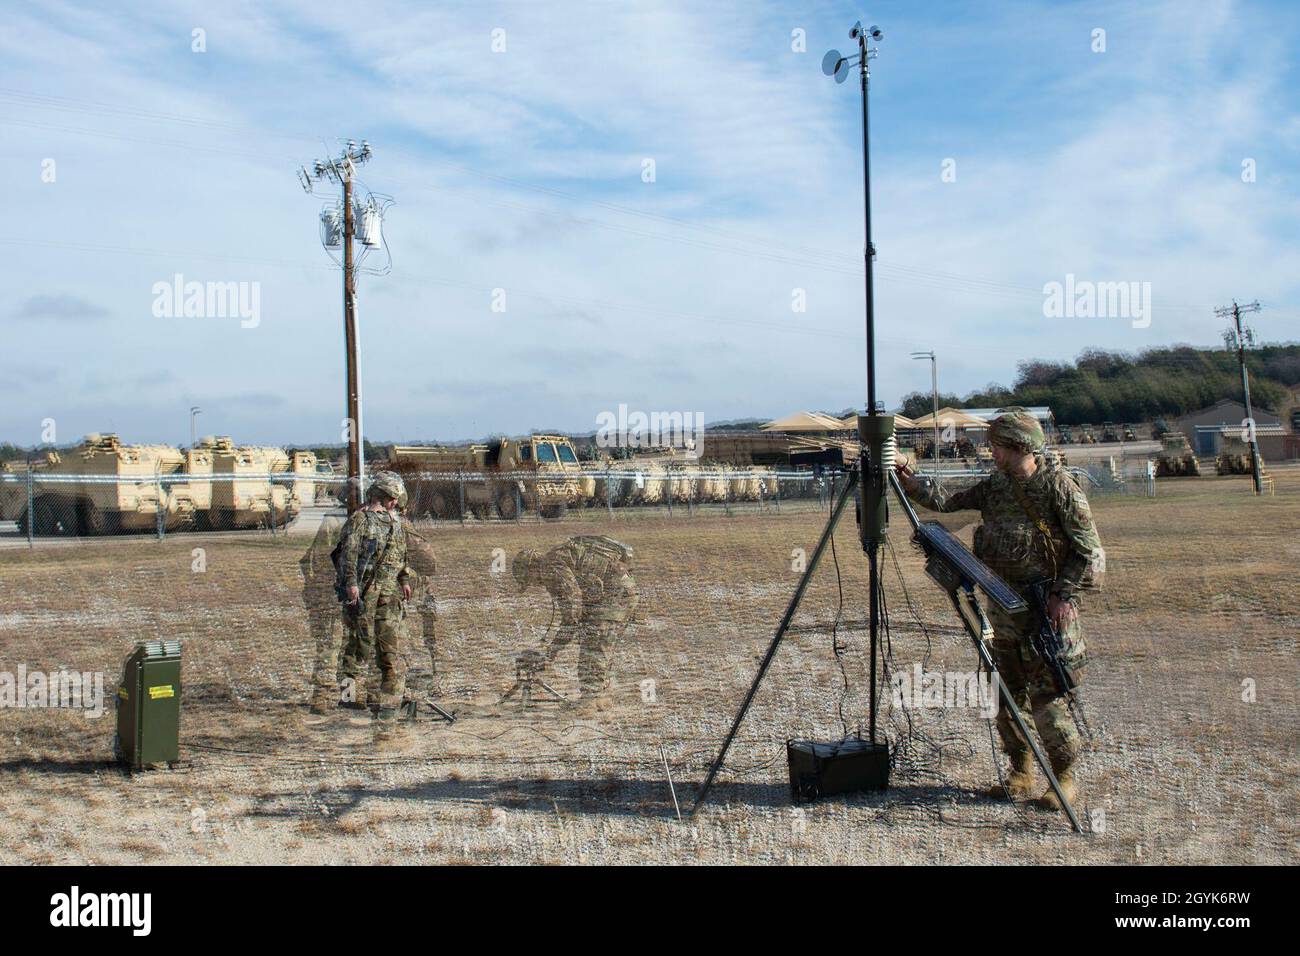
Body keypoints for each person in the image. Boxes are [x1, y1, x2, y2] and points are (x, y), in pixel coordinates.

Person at [895, 408, 1103, 810]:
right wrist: (909, 478)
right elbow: (948, 500)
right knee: (1006, 693)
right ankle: (1020, 771)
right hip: (1004, 607)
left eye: (997, 445)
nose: (991, 451)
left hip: (1047, 611)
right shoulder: (996, 487)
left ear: (1018, 446)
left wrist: (1064, 594)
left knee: (1048, 699)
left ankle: (1062, 778)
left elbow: (1088, 550)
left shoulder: (1059, 489)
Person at [511, 535, 638, 700]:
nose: (536, 584)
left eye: (531, 580)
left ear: (531, 568)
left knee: (593, 645)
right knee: (599, 643)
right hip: (623, 592)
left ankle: (590, 702)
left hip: (615, 595)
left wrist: (551, 653)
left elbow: (572, 612)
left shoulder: (550, 566)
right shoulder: (557, 559)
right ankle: (598, 698)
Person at [336, 471, 412, 736]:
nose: (394, 502)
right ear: (381, 495)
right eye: (391, 497)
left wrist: (404, 579)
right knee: (358, 647)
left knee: (389, 652)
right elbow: (348, 555)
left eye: (396, 498)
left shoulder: (396, 522)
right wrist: (352, 584)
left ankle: (387, 710)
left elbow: (401, 555)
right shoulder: (360, 520)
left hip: (389, 597)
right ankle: (348, 698)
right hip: (365, 593)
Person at [301, 510, 350, 714]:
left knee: (352, 647)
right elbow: (319, 560)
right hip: (332, 592)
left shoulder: (371, 518)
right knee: (329, 645)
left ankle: (350, 695)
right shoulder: (333, 521)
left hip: (356, 595)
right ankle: (320, 695)